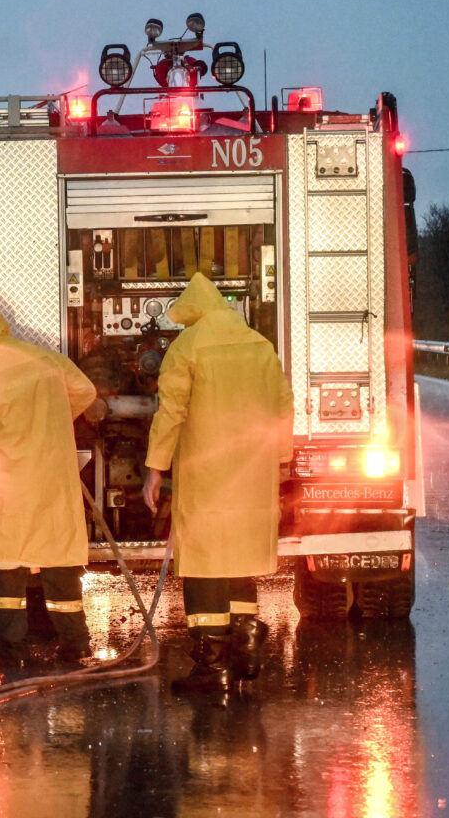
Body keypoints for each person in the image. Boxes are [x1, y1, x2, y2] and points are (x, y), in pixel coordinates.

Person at [142, 273, 293, 692]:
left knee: (206, 564)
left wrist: (155, 468)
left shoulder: (188, 347)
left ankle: (213, 667)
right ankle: (245, 651)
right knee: (241, 558)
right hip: (253, 474)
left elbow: (170, 411)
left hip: (208, 475)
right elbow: (283, 406)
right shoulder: (260, 345)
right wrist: (280, 458)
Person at [0, 298, 103, 664]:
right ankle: (75, 642)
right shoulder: (44, 357)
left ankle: (11, 646)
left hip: (11, 478)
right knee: (60, 555)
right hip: (56, 475)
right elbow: (85, 391)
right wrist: (53, 416)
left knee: (7, 561)